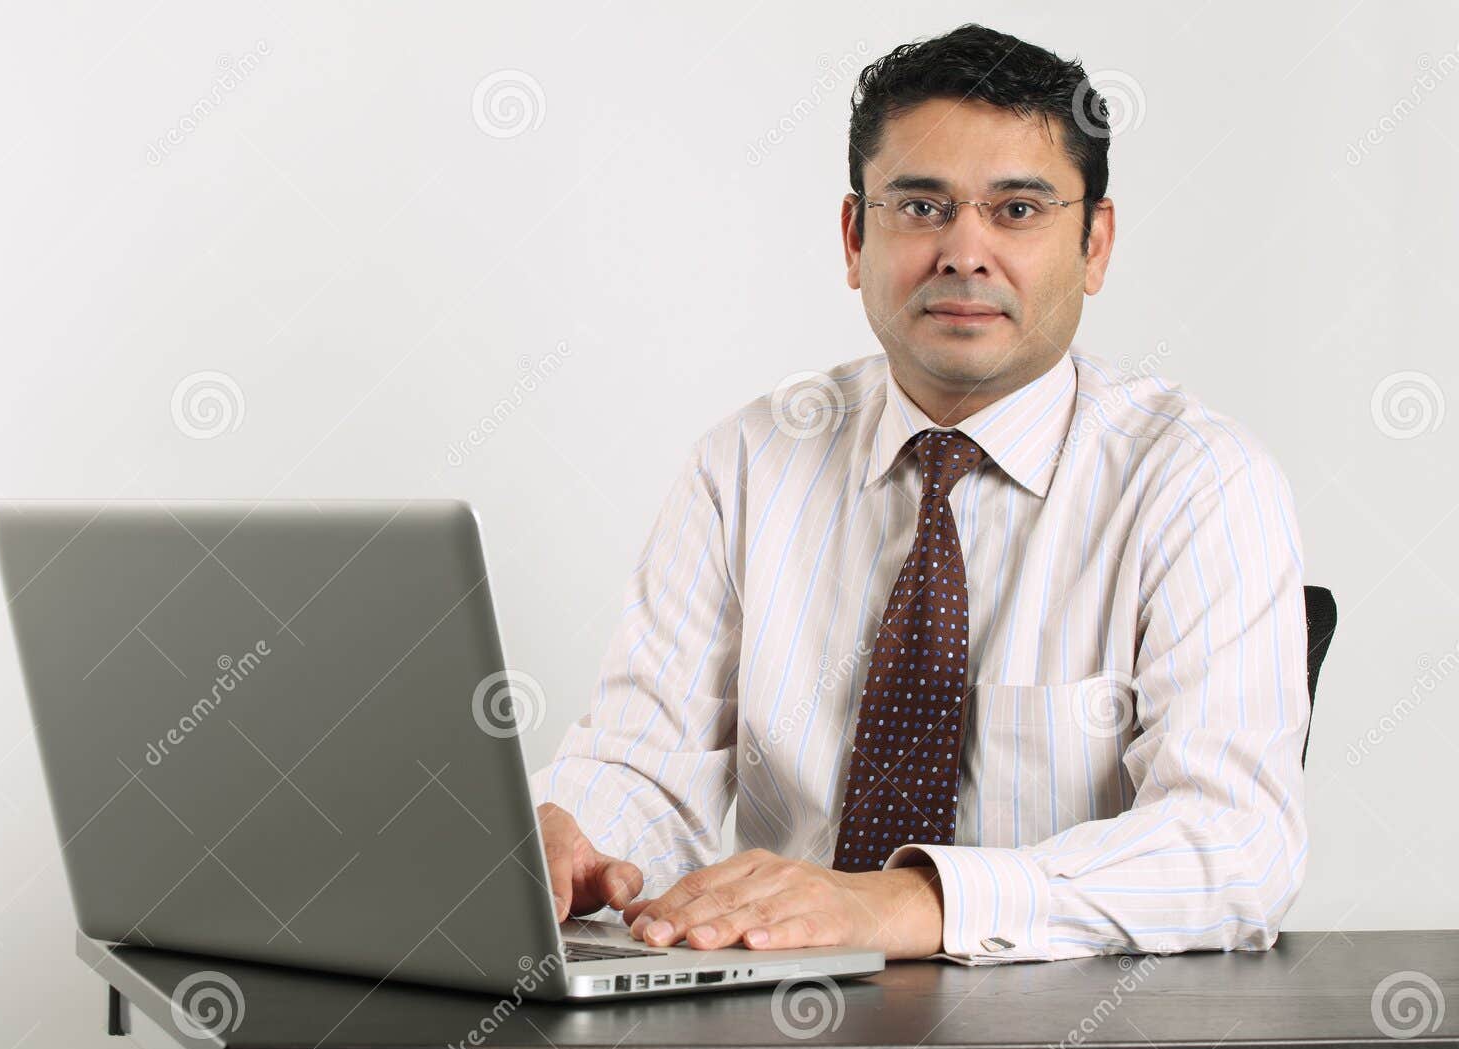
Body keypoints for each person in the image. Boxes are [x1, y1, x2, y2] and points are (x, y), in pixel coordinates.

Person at [529, 23, 1310, 965]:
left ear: (1094, 245)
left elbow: (1235, 846)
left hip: (1069, 1045)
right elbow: (647, 768)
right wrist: (577, 838)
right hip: (777, 1020)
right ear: (857, 237)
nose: (964, 252)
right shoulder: (745, 462)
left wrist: (901, 904)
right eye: (922, 206)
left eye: (1018, 211)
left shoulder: (1197, 482)